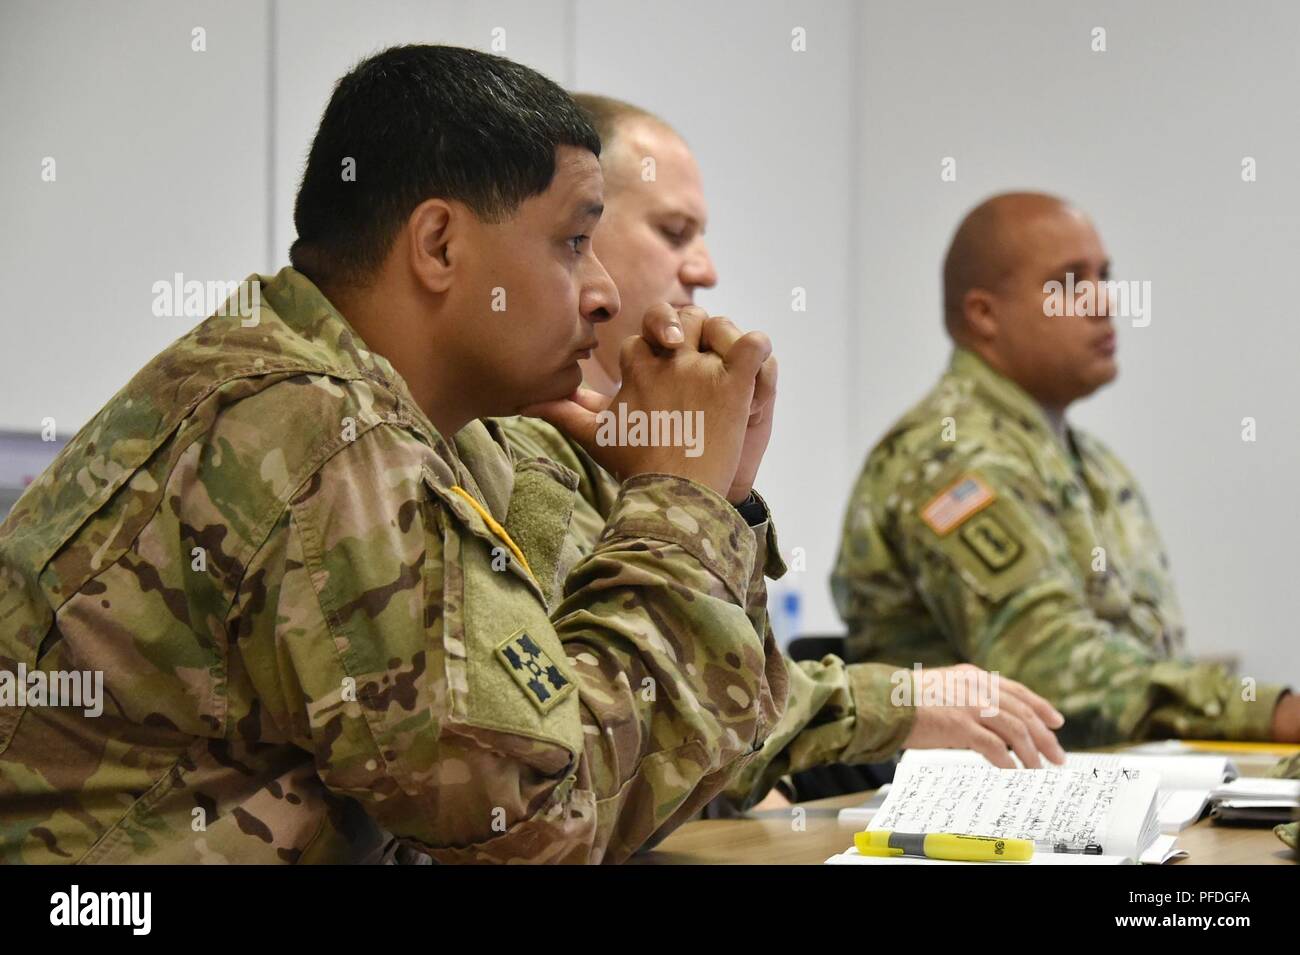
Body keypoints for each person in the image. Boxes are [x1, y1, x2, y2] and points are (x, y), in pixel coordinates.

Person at [0, 45, 788, 864]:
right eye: (573, 241)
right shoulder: (317, 429)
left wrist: (717, 499)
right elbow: (539, 826)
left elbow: (684, 742)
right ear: (440, 246)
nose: (605, 292)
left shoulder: (400, 424)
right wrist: (675, 500)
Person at [499, 98, 1066, 812]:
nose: (703, 269)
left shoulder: (624, 442)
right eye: (675, 233)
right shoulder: (511, 443)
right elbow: (596, 745)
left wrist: (727, 498)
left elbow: (730, 703)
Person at [832, 192, 1299, 749]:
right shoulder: (949, 457)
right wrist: (1268, 712)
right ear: (985, 314)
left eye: (1105, 275)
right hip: (972, 815)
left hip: (1102, 797)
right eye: (1070, 284)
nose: (1104, 300)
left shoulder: (1092, 464)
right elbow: (1049, 667)